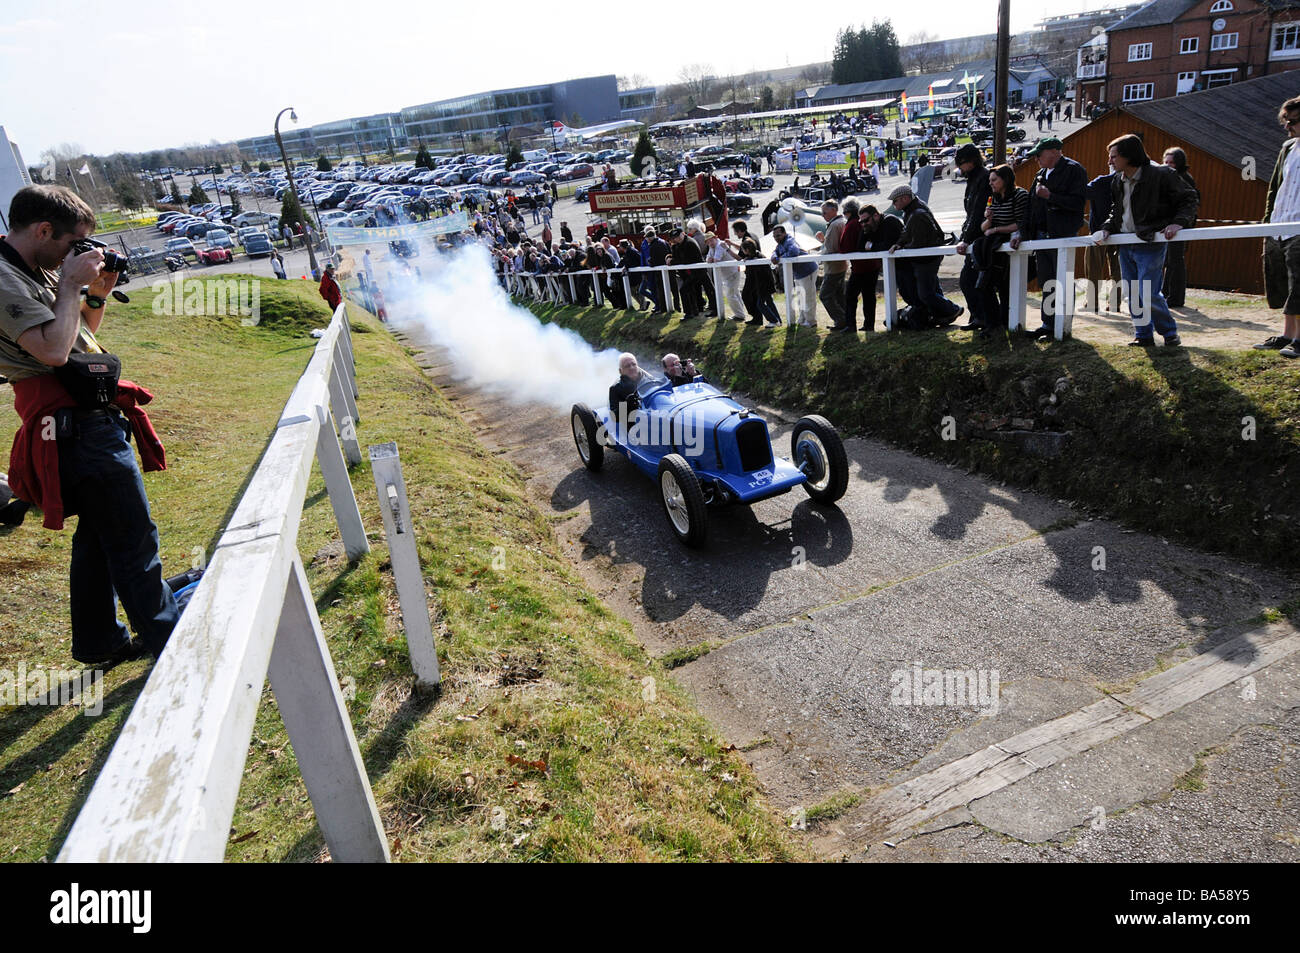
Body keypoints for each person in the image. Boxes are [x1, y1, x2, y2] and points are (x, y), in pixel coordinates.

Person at [0, 185, 177, 665]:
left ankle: (100, 640)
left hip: (86, 418)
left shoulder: (35, 270)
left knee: (101, 537)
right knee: (133, 537)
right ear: (42, 230)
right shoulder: (3, 279)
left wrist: (93, 296)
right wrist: (70, 284)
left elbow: (76, 339)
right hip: (73, 427)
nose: (79, 255)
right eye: (74, 244)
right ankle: (171, 641)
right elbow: (53, 352)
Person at [1094, 134, 1198, 347]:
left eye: (1114, 157)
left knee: (1148, 292)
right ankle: (1143, 335)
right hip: (1125, 243)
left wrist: (1179, 222)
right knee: (1132, 294)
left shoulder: (1161, 175)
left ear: (1128, 156)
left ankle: (1169, 333)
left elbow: (1189, 197)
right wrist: (1106, 228)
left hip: (1150, 242)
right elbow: (1118, 211)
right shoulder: (1117, 180)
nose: (1109, 161)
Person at [1024, 137, 1087, 338]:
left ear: (1053, 151)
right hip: (1043, 235)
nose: (1037, 159)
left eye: (1039, 155)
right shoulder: (1040, 174)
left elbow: (1077, 203)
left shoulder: (1073, 170)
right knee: (1046, 281)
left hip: (1062, 234)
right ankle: (1048, 324)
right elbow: (1032, 205)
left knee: (1062, 281)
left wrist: (1050, 196)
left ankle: (1063, 325)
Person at [889, 185, 964, 327]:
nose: (894, 204)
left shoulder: (916, 214)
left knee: (925, 293)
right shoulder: (913, 210)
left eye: (895, 200)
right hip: (927, 258)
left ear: (905, 199)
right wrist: (899, 244)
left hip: (925, 260)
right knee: (932, 289)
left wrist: (903, 247)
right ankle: (942, 315)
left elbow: (919, 243)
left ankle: (952, 310)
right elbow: (907, 233)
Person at [1261, 96, 1300, 357]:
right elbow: (1275, 187)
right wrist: (1266, 223)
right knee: (1281, 281)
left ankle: (1299, 339)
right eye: (1286, 122)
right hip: (1279, 222)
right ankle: (1286, 334)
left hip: (1299, 225)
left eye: (1294, 122)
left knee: (1299, 281)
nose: (1288, 127)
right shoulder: (1288, 148)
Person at [971, 165, 1030, 336]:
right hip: (992, 247)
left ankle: (1004, 323)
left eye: (994, 180)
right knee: (984, 285)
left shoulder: (1020, 195)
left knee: (1005, 288)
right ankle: (994, 323)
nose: (991, 184)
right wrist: (989, 220)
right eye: (990, 181)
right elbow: (984, 228)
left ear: (1006, 179)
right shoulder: (993, 198)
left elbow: (1020, 223)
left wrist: (996, 229)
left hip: (1008, 246)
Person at [952, 143, 993, 332]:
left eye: (961, 164)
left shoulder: (982, 179)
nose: (960, 168)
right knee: (972, 280)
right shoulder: (976, 179)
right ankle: (980, 317)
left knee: (970, 280)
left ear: (970, 162)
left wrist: (966, 238)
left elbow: (977, 212)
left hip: (980, 238)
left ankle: (983, 318)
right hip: (976, 236)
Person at [848, 204, 900, 333]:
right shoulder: (869, 227)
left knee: (913, 292)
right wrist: (870, 238)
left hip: (906, 263)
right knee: (864, 294)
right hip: (892, 265)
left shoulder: (889, 221)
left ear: (876, 215)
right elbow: (860, 246)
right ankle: (867, 325)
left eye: (866, 220)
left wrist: (871, 246)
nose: (863, 224)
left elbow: (888, 245)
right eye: (861, 221)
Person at [1161, 147, 1198, 308]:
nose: (1169, 165)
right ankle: (1167, 294)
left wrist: (1179, 222)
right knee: (1168, 260)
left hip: (1179, 226)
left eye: (1172, 162)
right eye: (1166, 162)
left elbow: (1191, 202)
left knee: (1176, 261)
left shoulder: (1184, 179)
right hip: (1169, 225)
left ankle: (1175, 298)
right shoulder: (1168, 177)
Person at [769, 224, 819, 328]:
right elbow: (775, 251)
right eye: (774, 237)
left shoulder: (789, 240)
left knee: (808, 297)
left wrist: (779, 259)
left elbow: (794, 251)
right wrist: (774, 256)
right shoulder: (781, 244)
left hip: (807, 270)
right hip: (798, 273)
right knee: (801, 297)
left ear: (784, 233)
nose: (776, 238)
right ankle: (802, 319)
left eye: (778, 235)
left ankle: (811, 321)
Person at [817, 200, 851, 331]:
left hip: (833, 267)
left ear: (833, 210)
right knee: (839, 295)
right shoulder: (841, 222)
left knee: (825, 295)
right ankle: (846, 320)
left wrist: (821, 248)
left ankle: (841, 320)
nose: (823, 215)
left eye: (824, 212)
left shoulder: (835, 224)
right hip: (840, 265)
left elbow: (830, 248)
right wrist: (823, 241)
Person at [739, 236, 781, 326]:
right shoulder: (757, 255)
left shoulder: (756, 258)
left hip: (764, 285)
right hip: (767, 283)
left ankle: (773, 320)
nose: (743, 252)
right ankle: (778, 321)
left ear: (747, 250)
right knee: (769, 302)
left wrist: (748, 260)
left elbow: (756, 271)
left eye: (743, 250)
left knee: (760, 305)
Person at [705, 232, 746, 320]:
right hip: (729, 274)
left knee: (730, 295)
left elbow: (716, 259)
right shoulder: (712, 247)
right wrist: (710, 259)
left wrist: (711, 259)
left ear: (715, 238)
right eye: (708, 242)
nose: (710, 243)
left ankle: (740, 315)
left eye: (711, 240)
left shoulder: (720, 245)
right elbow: (708, 259)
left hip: (732, 273)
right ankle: (740, 313)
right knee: (734, 293)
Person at [667, 227, 704, 317]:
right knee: (691, 291)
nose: (677, 239)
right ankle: (694, 311)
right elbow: (676, 256)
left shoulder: (689, 243)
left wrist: (671, 261)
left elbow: (684, 260)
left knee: (684, 290)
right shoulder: (678, 244)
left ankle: (689, 312)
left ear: (683, 233)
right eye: (674, 237)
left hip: (695, 272)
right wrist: (669, 257)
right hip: (689, 273)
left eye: (678, 236)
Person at [608, 352, 648, 424]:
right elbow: (614, 417)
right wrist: (627, 405)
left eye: (634, 364)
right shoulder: (615, 388)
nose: (631, 368)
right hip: (635, 425)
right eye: (627, 366)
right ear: (620, 371)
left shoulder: (648, 379)